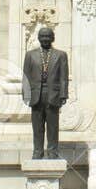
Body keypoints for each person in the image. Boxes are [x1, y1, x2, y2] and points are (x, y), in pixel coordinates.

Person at [21, 26, 69, 158]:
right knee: (37, 126)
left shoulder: (61, 55)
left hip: (53, 94)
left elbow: (63, 77)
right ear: (39, 38)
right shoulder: (30, 55)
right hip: (36, 94)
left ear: (52, 38)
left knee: (53, 126)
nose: (45, 39)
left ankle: (52, 151)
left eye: (48, 36)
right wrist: (25, 94)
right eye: (43, 36)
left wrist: (63, 94)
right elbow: (26, 76)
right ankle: (38, 151)